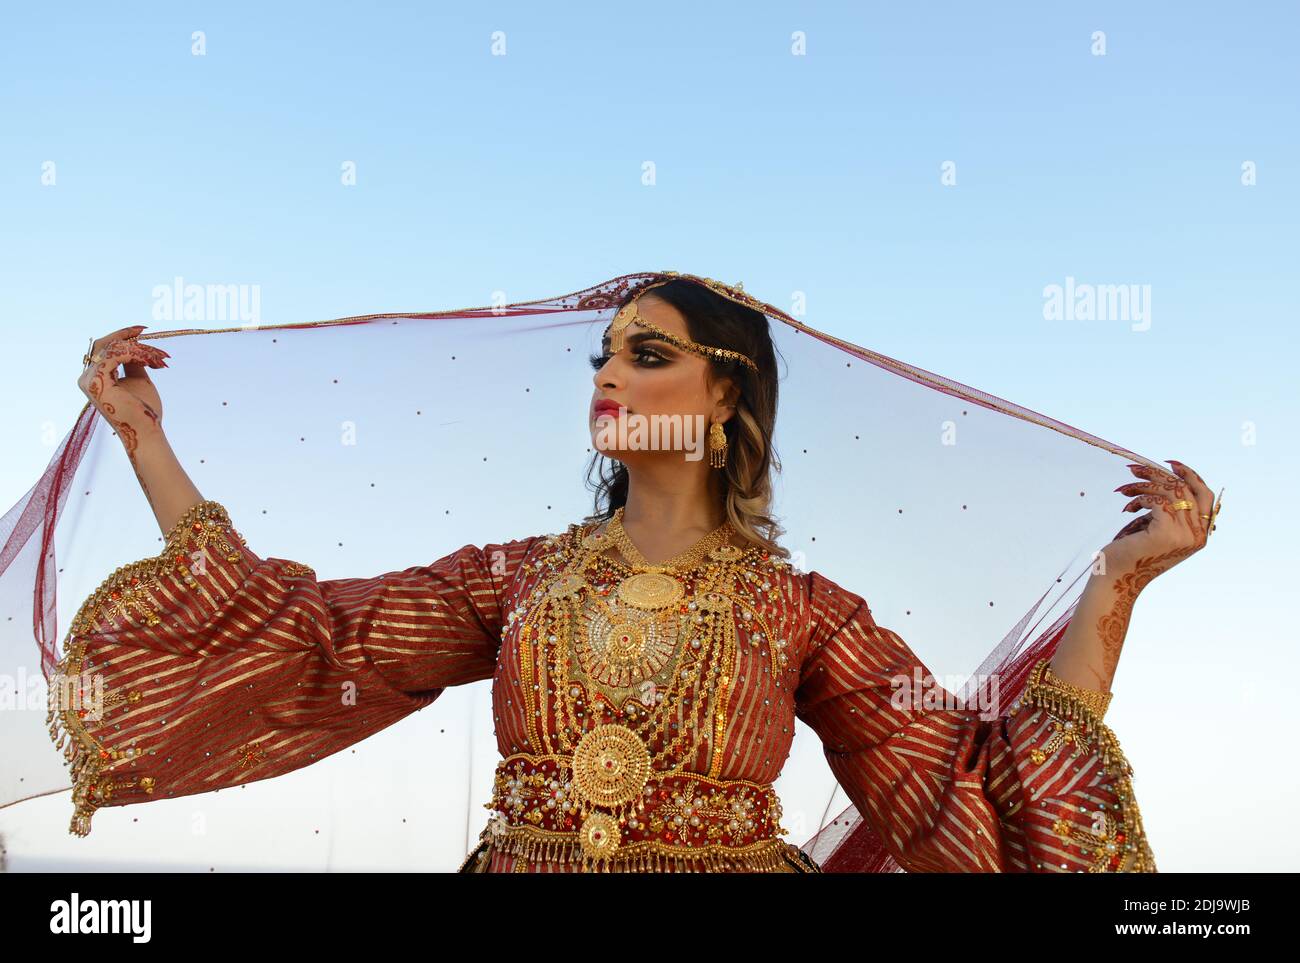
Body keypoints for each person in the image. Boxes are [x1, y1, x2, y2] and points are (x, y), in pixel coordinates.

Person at [34, 271, 1220, 872]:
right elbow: (310, 639)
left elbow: (957, 791)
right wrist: (147, 441)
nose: (608, 375)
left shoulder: (803, 615)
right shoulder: (511, 582)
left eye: (647, 356)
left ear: (723, 397)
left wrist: (1117, 587)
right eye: (603, 355)